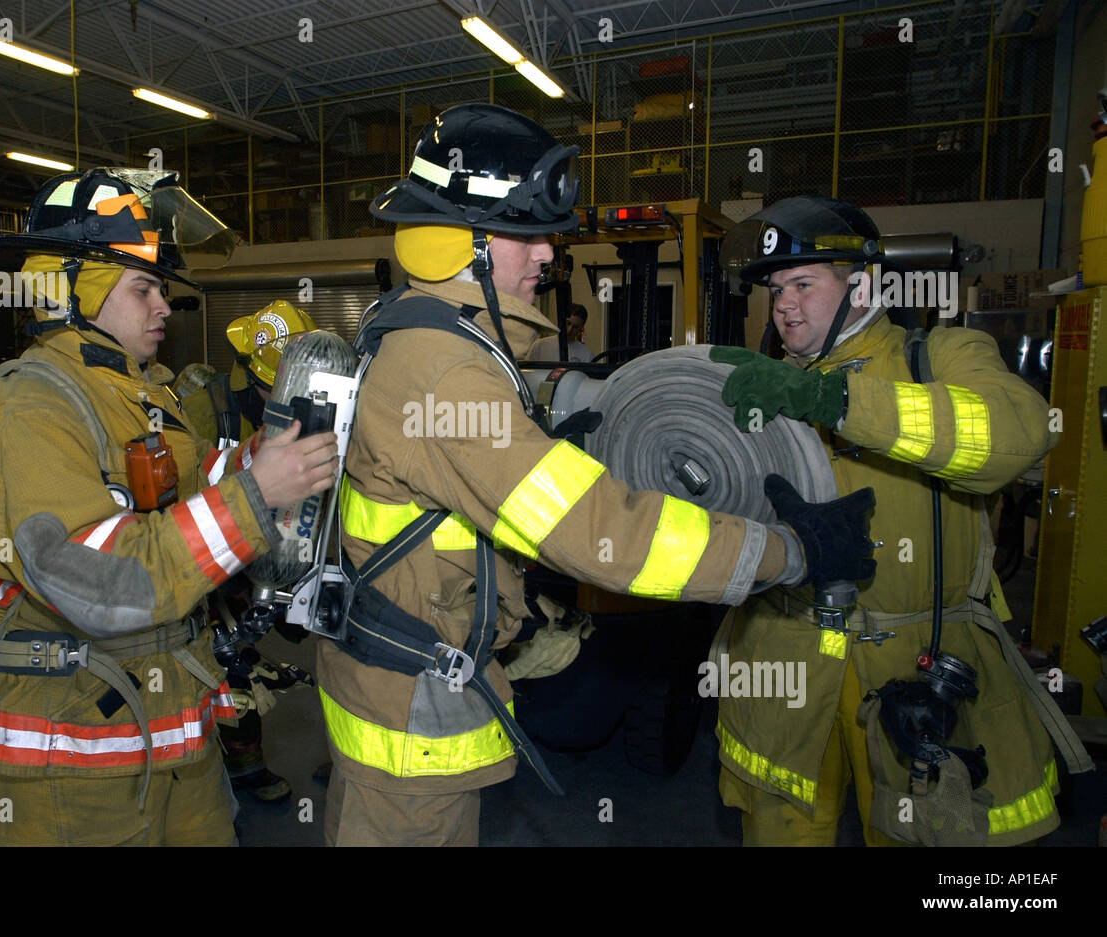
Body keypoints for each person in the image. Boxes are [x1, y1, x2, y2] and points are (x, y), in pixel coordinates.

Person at [315, 104, 878, 846]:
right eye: (529, 234)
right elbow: (596, 533)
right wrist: (790, 552)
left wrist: (545, 434)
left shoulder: (421, 331)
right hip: (407, 738)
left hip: (399, 703)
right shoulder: (446, 371)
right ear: (469, 246)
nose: (548, 254)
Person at [0, 167, 339, 846]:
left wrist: (259, 460)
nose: (163, 308)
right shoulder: (30, 412)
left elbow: (190, 483)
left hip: (178, 745)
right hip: (75, 770)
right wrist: (258, 492)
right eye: (143, 288)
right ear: (74, 291)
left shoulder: (138, 393)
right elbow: (102, 583)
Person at [709, 195, 1089, 845]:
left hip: (911, 672)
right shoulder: (764, 384)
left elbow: (1017, 432)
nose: (783, 306)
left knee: (918, 832)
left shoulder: (938, 355)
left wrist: (835, 398)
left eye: (803, 284)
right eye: (775, 289)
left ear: (865, 284)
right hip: (784, 663)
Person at [176, 299, 318, 803]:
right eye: (271, 391)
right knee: (229, 660)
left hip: (282, 546)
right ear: (248, 376)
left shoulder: (311, 396)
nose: (281, 401)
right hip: (214, 550)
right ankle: (241, 768)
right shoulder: (200, 411)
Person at [526, 303, 592, 362]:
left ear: (581, 328)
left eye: (575, 327)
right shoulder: (540, 346)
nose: (569, 330)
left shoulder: (586, 355)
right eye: (568, 323)